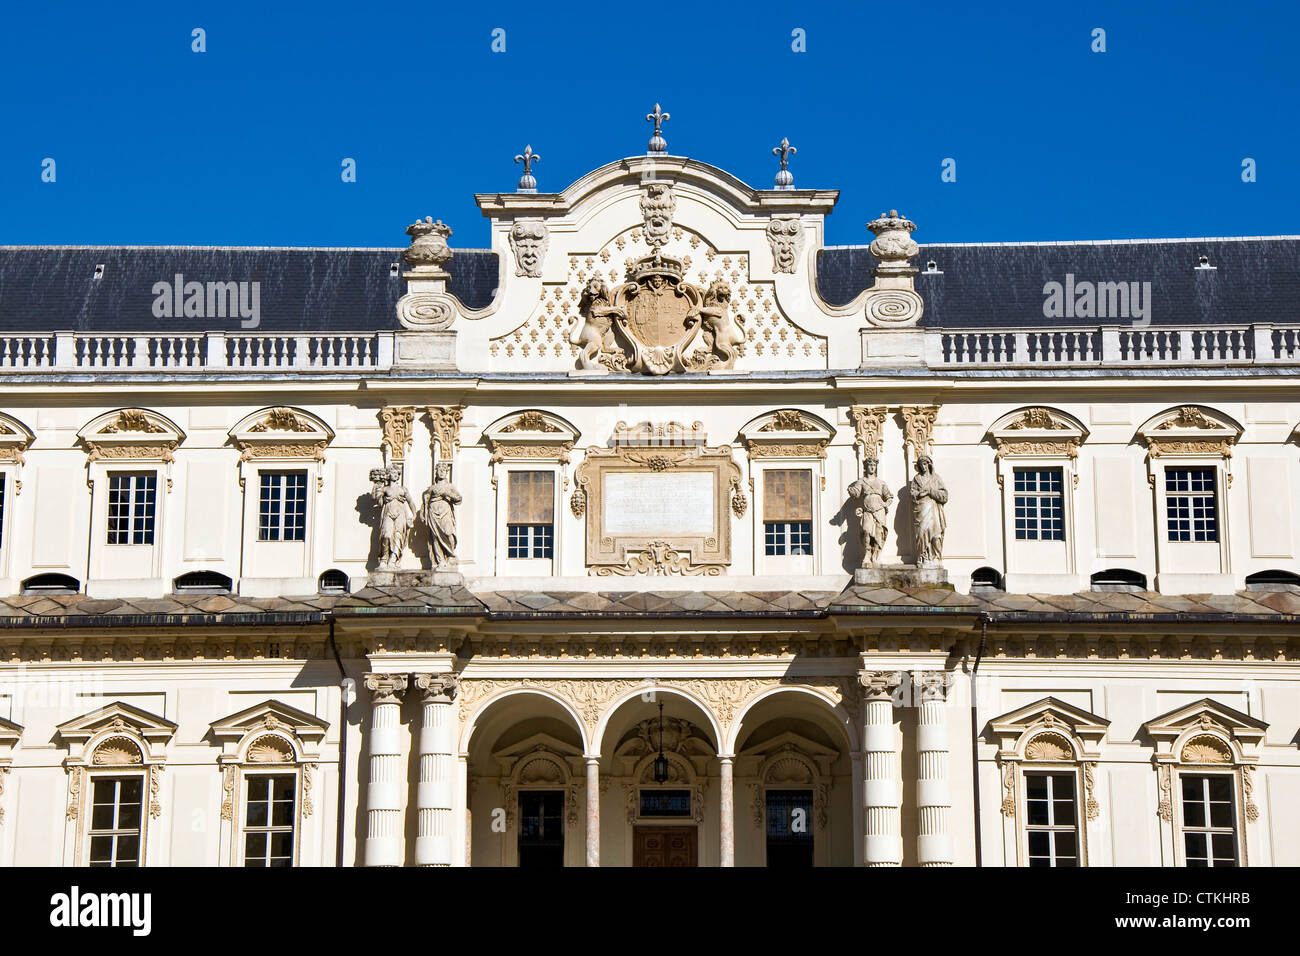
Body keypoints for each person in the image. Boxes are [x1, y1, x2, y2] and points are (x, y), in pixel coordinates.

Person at [848, 456, 894, 566]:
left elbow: (889, 497)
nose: (872, 467)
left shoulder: (881, 483)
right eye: (870, 465)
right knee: (866, 531)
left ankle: (876, 555)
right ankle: (867, 554)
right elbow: (856, 493)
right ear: (866, 467)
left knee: (879, 534)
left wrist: (885, 505)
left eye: (874, 465)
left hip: (879, 511)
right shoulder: (861, 481)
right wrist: (852, 491)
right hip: (867, 511)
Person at [370, 467, 416, 569]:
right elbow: (377, 500)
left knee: (398, 536)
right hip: (388, 513)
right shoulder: (384, 489)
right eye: (392, 473)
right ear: (389, 475)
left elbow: (411, 501)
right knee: (386, 535)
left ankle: (393, 558)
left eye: (396, 473)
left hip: (401, 514)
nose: (395, 475)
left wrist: (414, 514)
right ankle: (384, 558)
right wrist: (377, 485)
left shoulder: (402, 489)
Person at [421, 462, 462, 568]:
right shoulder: (432, 488)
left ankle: (450, 555)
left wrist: (447, 494)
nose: (442, 472)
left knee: (448, 533)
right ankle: (440, 560)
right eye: (440, 470)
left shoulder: (449, 486)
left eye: (444, 470)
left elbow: (458, 498)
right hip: (433, 512)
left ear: (446, 473)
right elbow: (425, 501)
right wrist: (423, 514)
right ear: (436, 472)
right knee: (436, 537)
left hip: (445, 511)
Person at [909, 455, 948, 567]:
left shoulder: (936, 478)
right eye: (921, 465)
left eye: (925, 464)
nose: (924, 467)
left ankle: (936, 558)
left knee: (936, 535)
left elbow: (944, 496)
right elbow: (912, 494)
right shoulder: (917, 479)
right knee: (922, 535)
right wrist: (919, 494)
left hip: (933, 510)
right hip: (921, 510)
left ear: (929, 465)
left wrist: (930, 491)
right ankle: (924, 557)